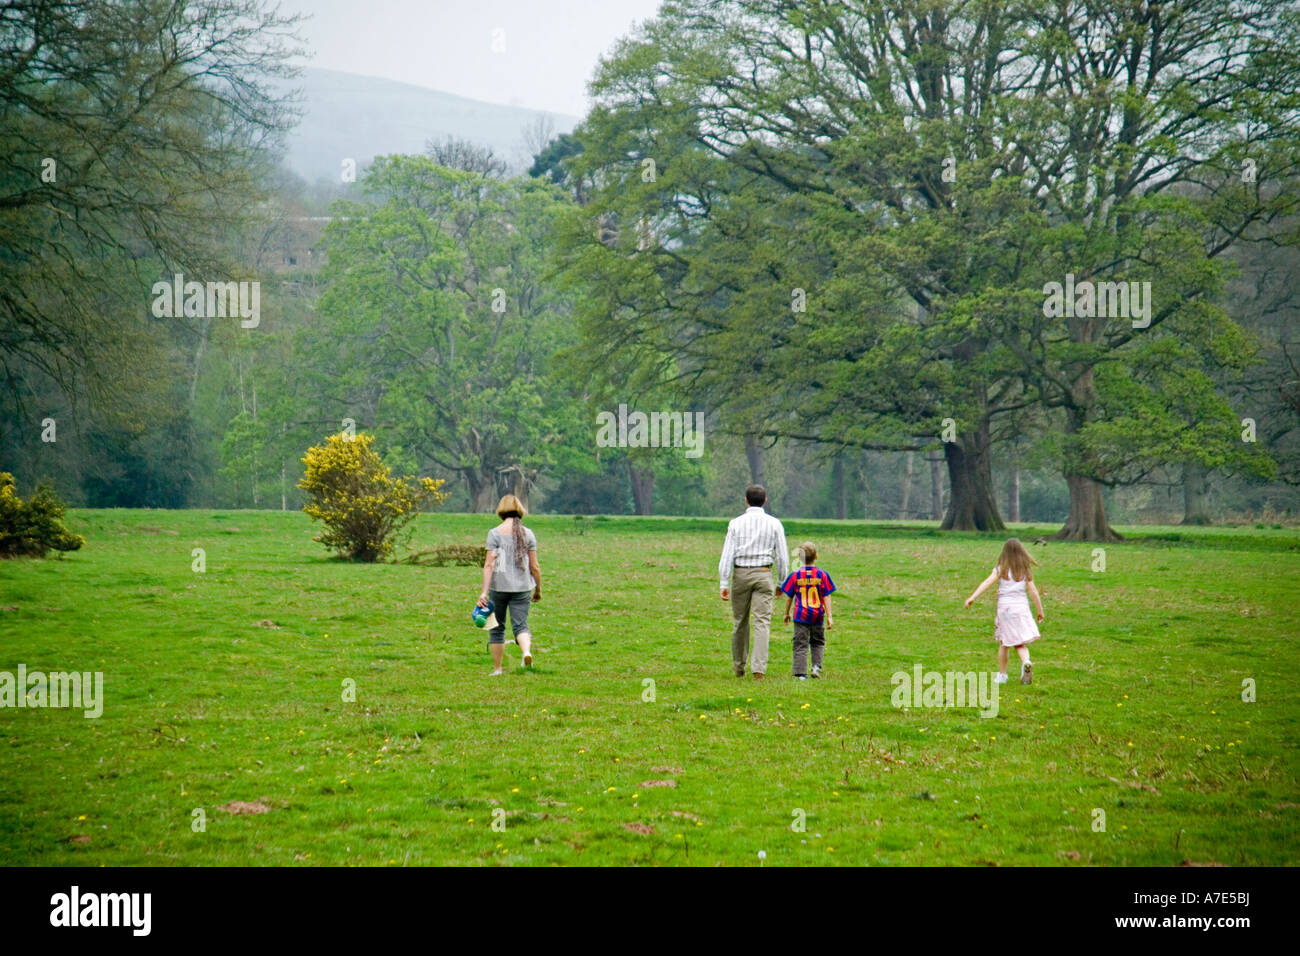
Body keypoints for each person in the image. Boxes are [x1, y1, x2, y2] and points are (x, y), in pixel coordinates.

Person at [718, 484, 789, 679]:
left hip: (740, 574)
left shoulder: (735, 523)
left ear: (746, 500)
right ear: (765, 500)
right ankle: (759, 670)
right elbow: (782, 556)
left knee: (740, 621)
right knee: (762, 622)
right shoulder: (775, 524)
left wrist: (724, 582)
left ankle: (739, 666)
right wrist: (782, 581)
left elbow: (727, 555)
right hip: (764, 573)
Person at [963, 538, 1045, 685]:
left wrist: (972, 597)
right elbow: (1033, 591)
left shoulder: (1001, 569)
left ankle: (1002, 675)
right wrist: (1040, 610)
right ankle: (1026, 662)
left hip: (1005, 610)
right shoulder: (1025, 570)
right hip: (1022, 609)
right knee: (1020, 643)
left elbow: (987, 583)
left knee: (1004, 643)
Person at [476, 494, 542, 677]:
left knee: (497, 628)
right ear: (520, 510)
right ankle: (526, 652)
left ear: (501, 511)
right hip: (522, 587)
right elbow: (534, 566)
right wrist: (538, 588)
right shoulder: (528, 534)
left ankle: (497, 669)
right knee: (520, 625)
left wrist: (483, 593)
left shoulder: (494, 533)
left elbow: (489, 565)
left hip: (499, 587)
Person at [780, 541, 836, 680]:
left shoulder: (795, 576)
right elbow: (826, 596)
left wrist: (786, 613)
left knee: (800, 644)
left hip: (801, 616)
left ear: (799, 558)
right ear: (816, 556)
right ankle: (816, 666)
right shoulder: (822, 575)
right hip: (817, 616)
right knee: (817, 642)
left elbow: (789, 597)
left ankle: (801, 674)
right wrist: (829, 616)